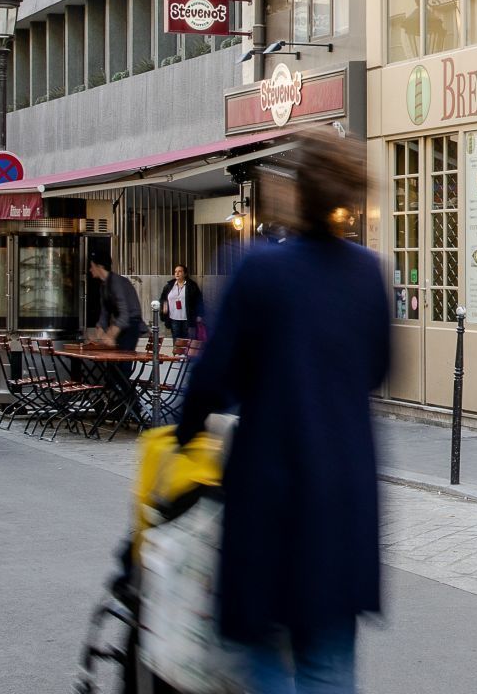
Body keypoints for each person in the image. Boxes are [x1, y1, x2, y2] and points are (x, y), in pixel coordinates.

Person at [176, 131, 390, 694]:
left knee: (264, 648)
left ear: (297, 192)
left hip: (271, 484)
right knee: (328, 656)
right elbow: (379, 369)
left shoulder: (258, 269)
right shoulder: (368, 273)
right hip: (344, 484)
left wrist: (186, 429)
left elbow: (214, 377)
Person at [89, 252, 143, 352]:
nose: (90, 269)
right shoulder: (103, 286)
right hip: (120, 325)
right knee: (110, 361)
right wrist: (98, 335)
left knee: (121, 363)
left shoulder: (116, 282)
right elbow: (104, 314)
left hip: (131, 324)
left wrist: (110, 335)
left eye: (92, 266)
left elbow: (124, 313)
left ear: (100, 266)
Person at [158, 264, 204, 341]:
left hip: (187, 318)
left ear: (185, 273)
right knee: (176, 341)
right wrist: (164, 306)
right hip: (173, 317)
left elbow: (198, 300)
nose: (177, 273)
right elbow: (163, 298)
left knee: (187, 341)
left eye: (180, 271)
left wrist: (200, 314)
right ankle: (177, 353)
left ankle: (186, 353)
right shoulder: (169, 286)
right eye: (175, 271)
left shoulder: (191, 285)